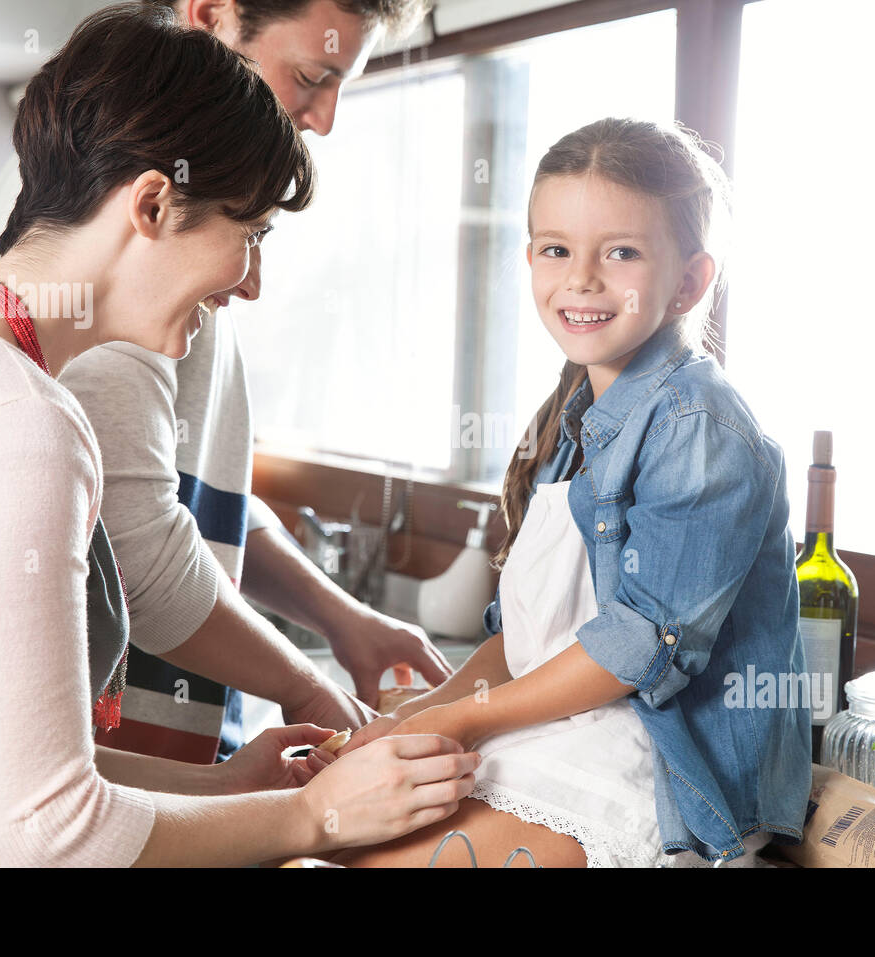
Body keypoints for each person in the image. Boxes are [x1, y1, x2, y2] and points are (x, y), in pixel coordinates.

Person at [0, 3, 475, 868]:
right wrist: (317, 818)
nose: (249, 283)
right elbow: (52, 838)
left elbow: (15, 768)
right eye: (247, 236)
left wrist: (233, 787)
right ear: (152, 205)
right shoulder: (18, 427)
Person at [0, 0, 448, 770]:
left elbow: (179, 487)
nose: (323, 118)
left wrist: (339, 618)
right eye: (313, 75)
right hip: (111, 747)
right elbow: (136, 541)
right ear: (213, 14)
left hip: (161, 747)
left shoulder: (168, 235)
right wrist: (304, 686)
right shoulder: (124, 254)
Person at [334, 118, 812, 867]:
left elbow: (636, 648)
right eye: (557, 250)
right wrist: (418, 716)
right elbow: (525, 639)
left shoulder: (699, 423)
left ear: (690, 280)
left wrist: (462, 721)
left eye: (621, 252)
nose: (582, 278)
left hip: (663, 776)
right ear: (529, 260)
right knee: (333, 835)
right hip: (559, 734)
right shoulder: (573, 420)